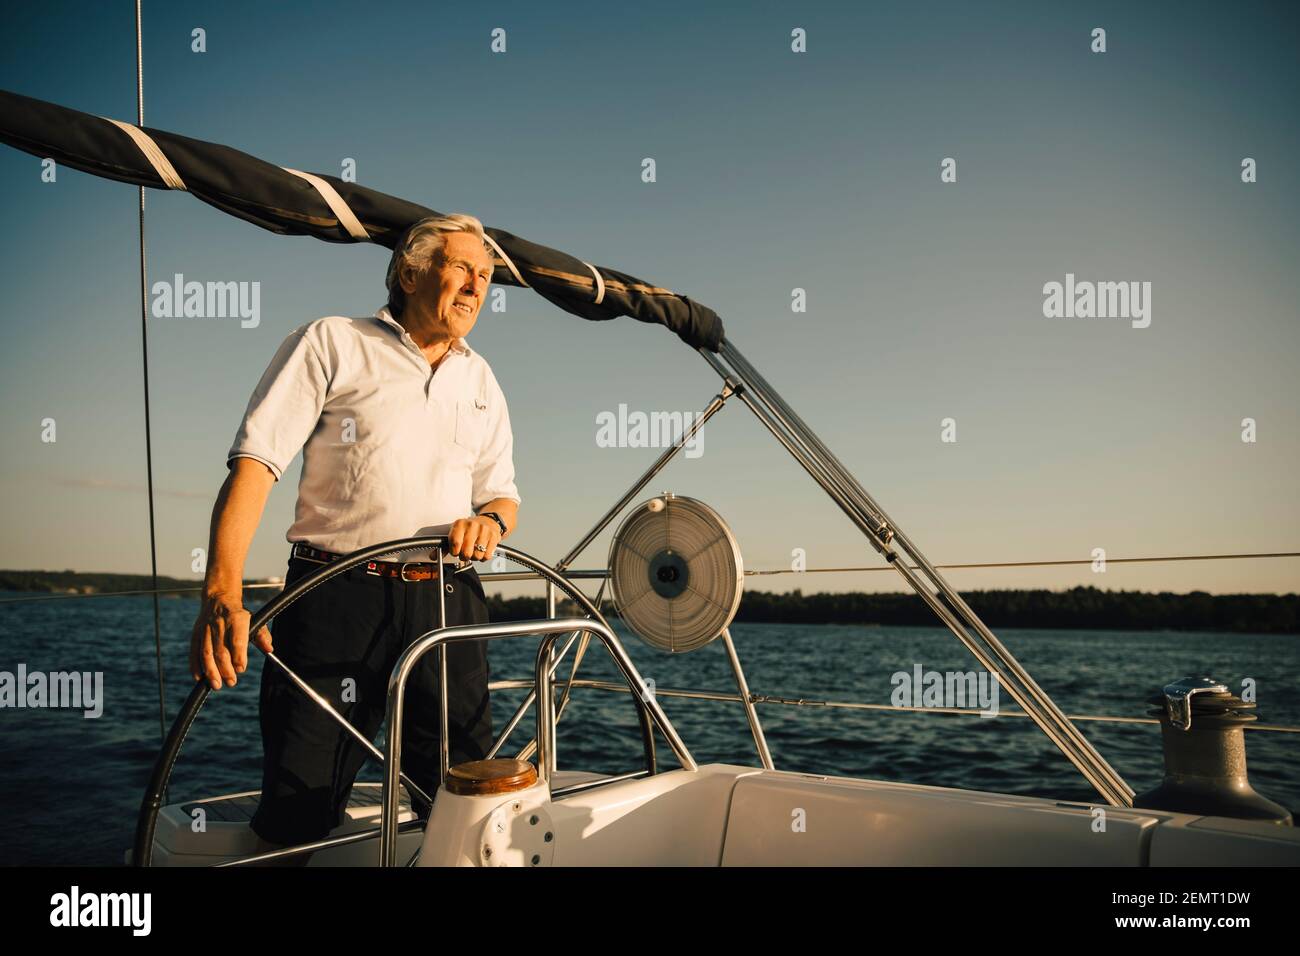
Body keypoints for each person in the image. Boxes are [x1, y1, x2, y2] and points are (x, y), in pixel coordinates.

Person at [188, 213, 520, 854]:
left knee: (466, 806)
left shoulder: (481, 378)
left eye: (486, 275)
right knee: (300, 798)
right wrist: (222, 591)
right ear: (410, 271)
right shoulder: (332, 341)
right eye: (463, 268)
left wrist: (491, 522)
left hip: (448, 602)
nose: (478, 286)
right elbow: (256, 464)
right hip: (334, 595)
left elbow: (501, 494)